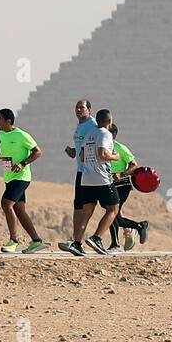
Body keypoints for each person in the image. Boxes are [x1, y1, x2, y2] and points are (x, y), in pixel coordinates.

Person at [0, 108, 46, 253]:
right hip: (9, 177)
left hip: (21, 177)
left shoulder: (21, 135)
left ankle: (13, 240)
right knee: (19, 210)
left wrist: (22, 163)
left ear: (8, 121)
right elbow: (2, 154)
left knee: (6, 203)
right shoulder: (1, 134)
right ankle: (36, 241)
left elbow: (38, 152)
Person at [69, 108, 121, 256]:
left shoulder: (89, 134)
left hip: (87, 179)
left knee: (87, 212)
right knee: (113, 208)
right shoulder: (106, 134)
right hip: (102, 179)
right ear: (109, 121)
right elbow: (103, 154)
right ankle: (97, 237)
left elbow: (83, 156)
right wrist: (115, 157)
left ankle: (77, 243)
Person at [59, 98, 98, 251]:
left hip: (92, 173)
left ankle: (129, 230)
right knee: (78, 206)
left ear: (89, 109)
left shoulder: (93, 126)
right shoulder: (80, 125)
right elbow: (81, 148)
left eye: (81, 107)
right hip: (81, 172)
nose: (78, 110)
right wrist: (73, 152)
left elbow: (98, 145)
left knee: (107, 207)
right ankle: (76, 241)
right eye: (76, 107)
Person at [105, 123, 149, 252]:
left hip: (122, 185)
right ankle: (139, 226)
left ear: (113, 135)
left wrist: (122, 174)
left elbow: (134, 164)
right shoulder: (102, 148)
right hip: (108, 184)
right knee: (112, 214)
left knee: (112, 213)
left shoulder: (120, 148)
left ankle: (115, 244)